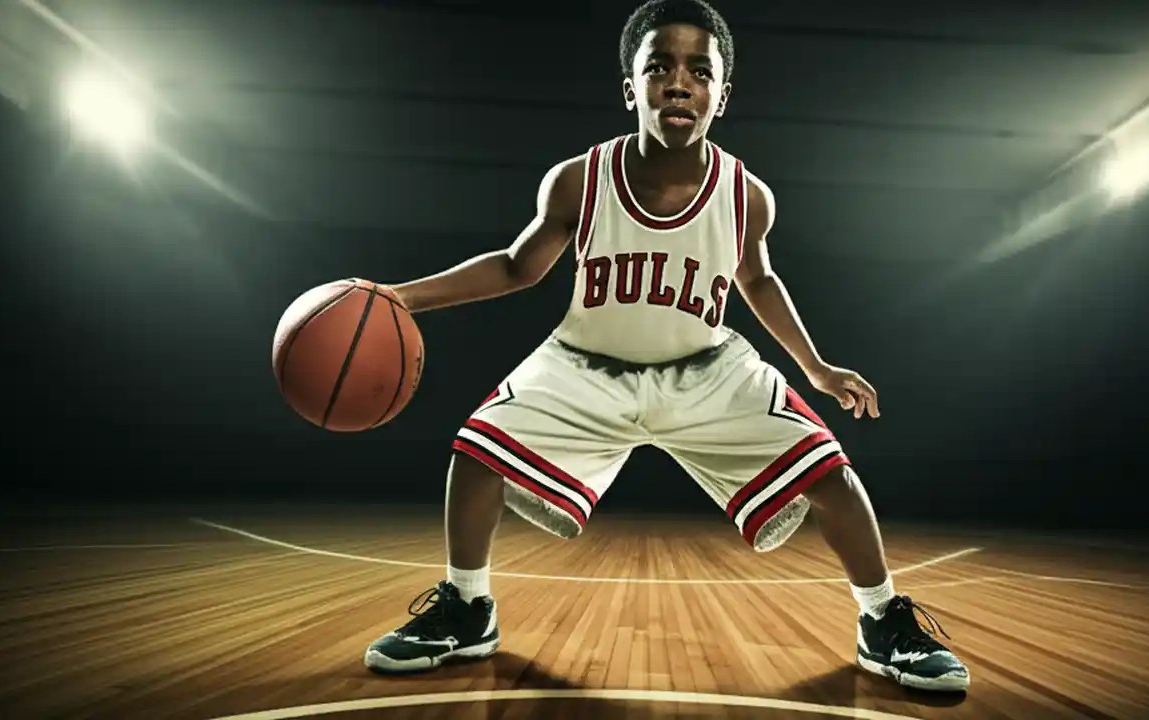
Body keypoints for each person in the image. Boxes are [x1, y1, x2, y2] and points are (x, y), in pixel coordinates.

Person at [363, 0, 969, 693]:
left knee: (832, 475)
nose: (679, 83)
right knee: (476, 456)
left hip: (706, 371)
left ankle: (882, 619)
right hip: (586, 364)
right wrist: (400, 297)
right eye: (659, 68)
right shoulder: (579, 179)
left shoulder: (746, 196)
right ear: (632, 89)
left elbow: (758, 279)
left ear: (721, 96)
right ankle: (469, 609)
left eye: (699, 72)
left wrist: (816, 368)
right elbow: (515, 267)